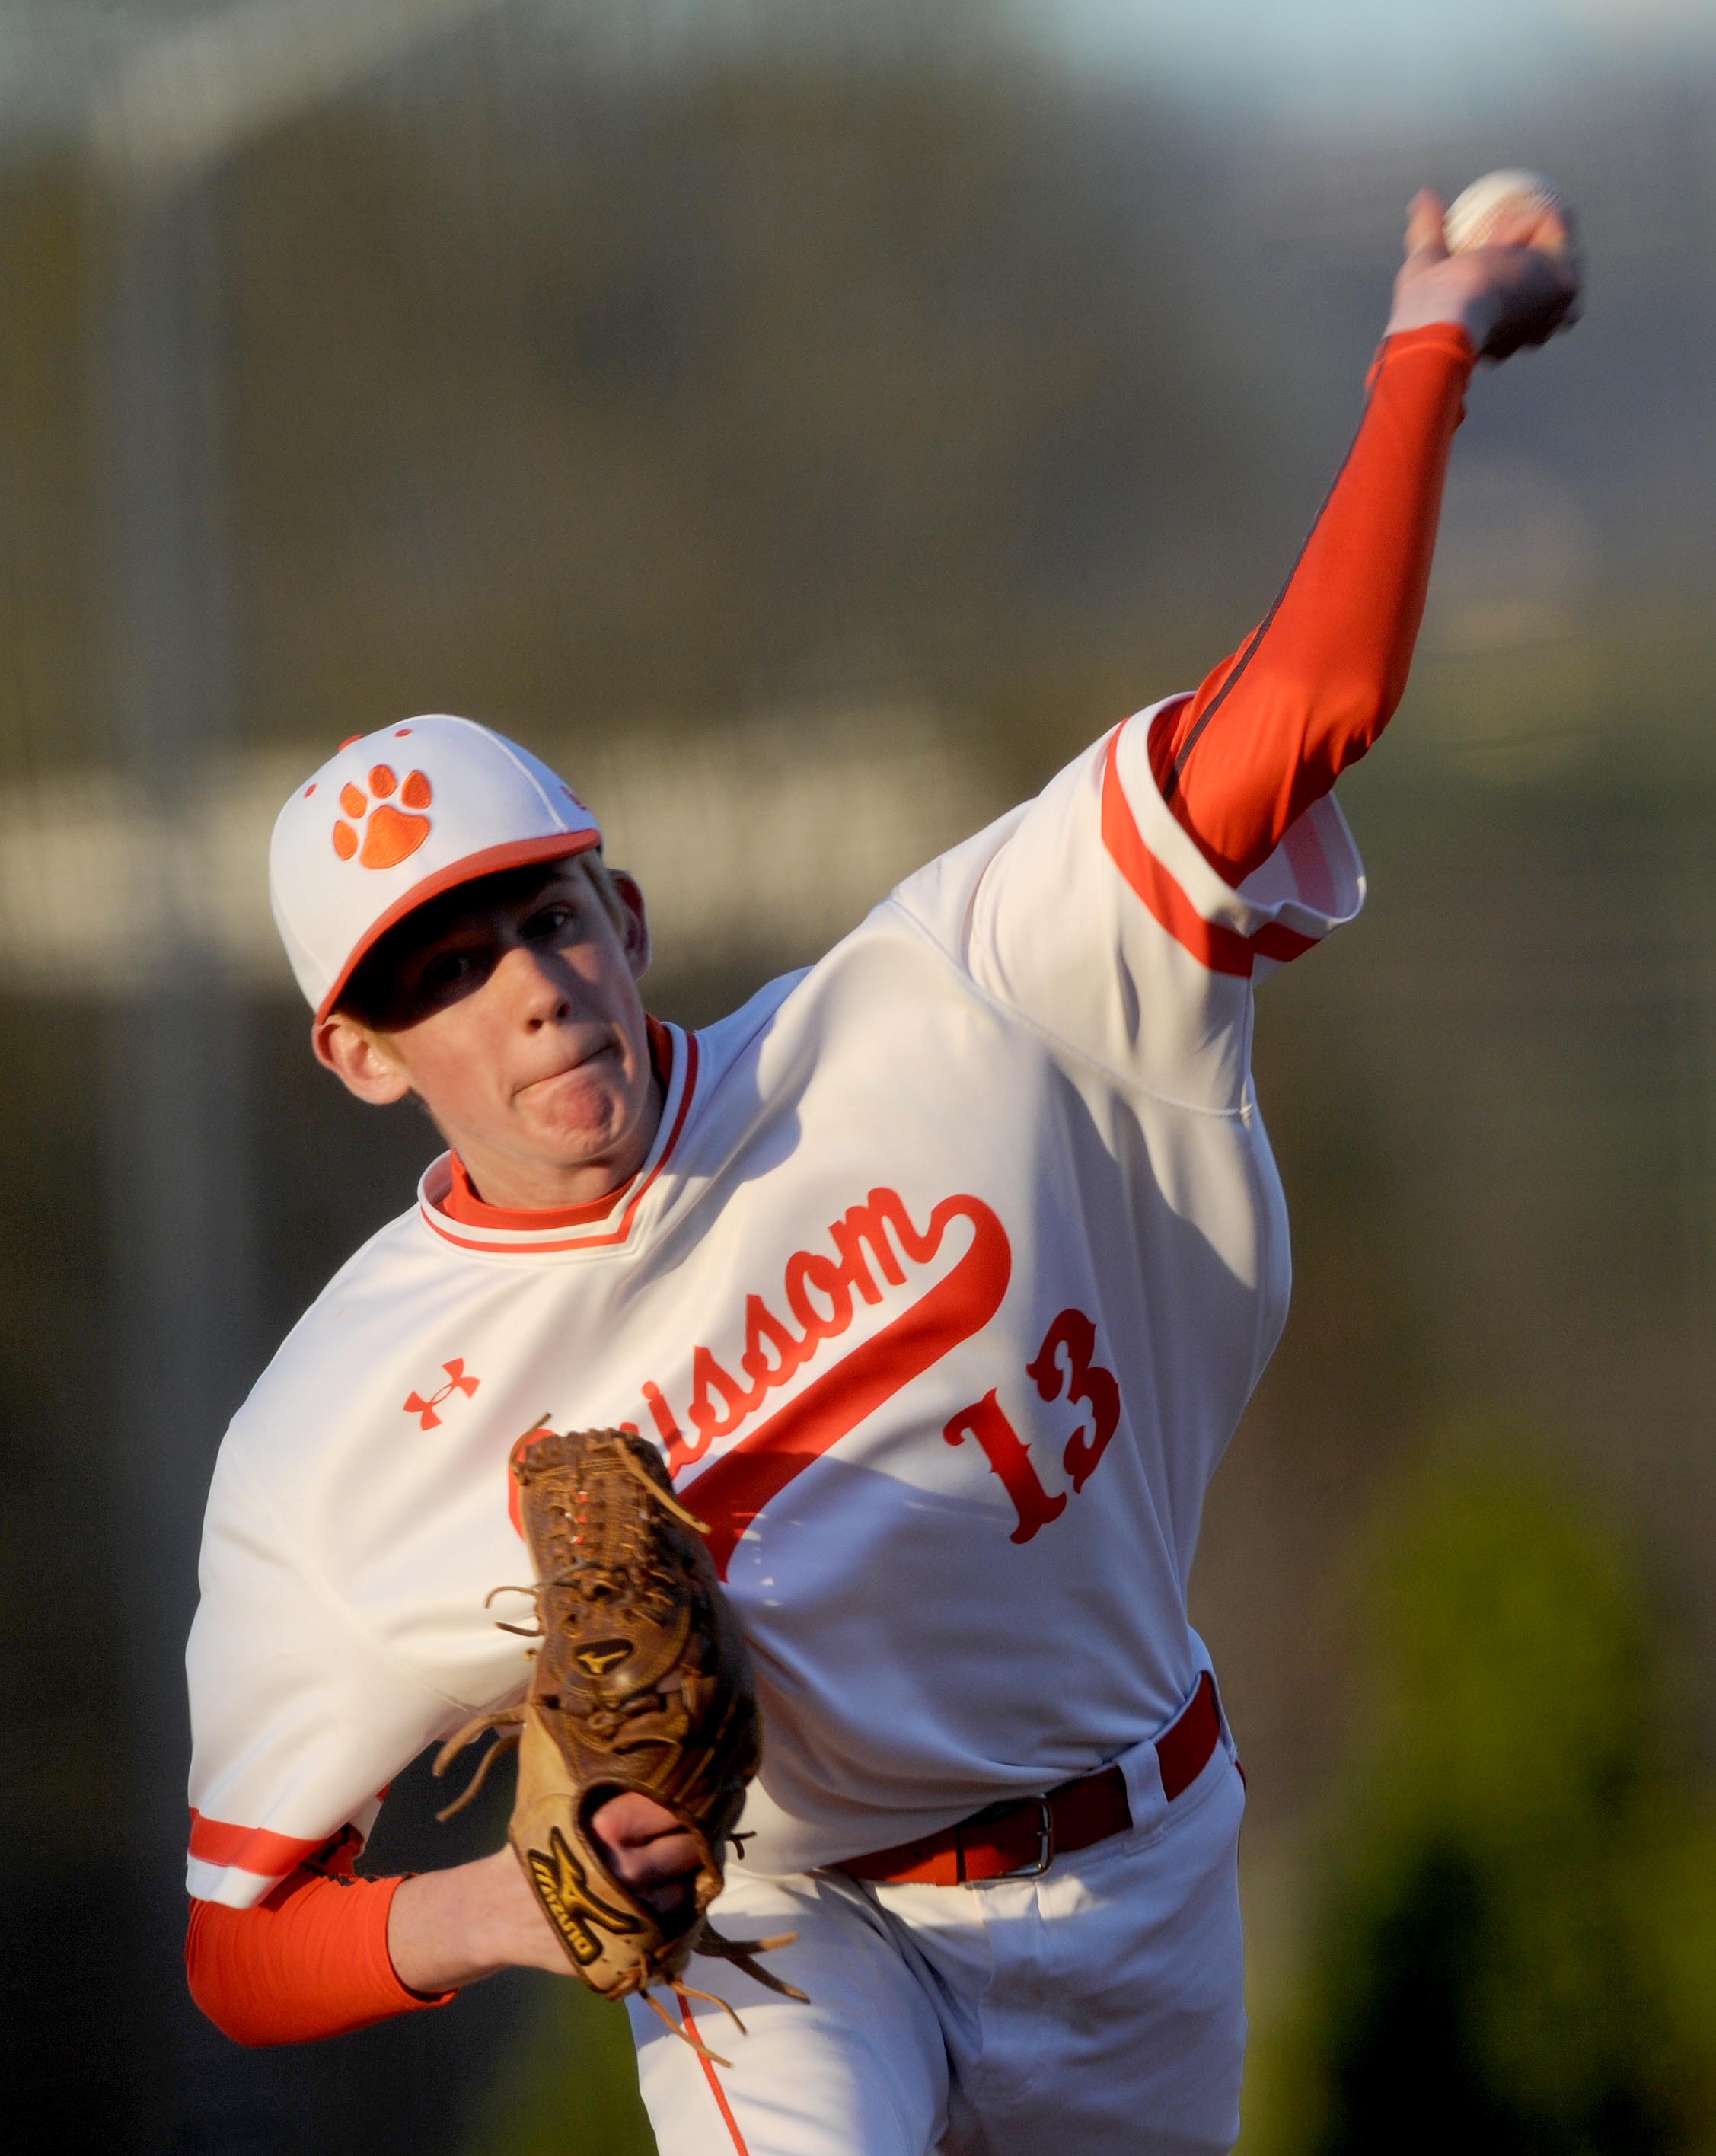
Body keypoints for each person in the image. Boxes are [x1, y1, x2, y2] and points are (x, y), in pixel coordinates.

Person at [183, 190, 1580, 2154]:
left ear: (628, 909)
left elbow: (1305, 710)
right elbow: (235, 1945)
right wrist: (500, 1910)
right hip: (782, 1932)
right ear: (356, 1052)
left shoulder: (948, 1000)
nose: (523, 991)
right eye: (438, 971)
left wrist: (1428, 342)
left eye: (541, 916)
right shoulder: (324, 1450)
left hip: (1142, 1863)